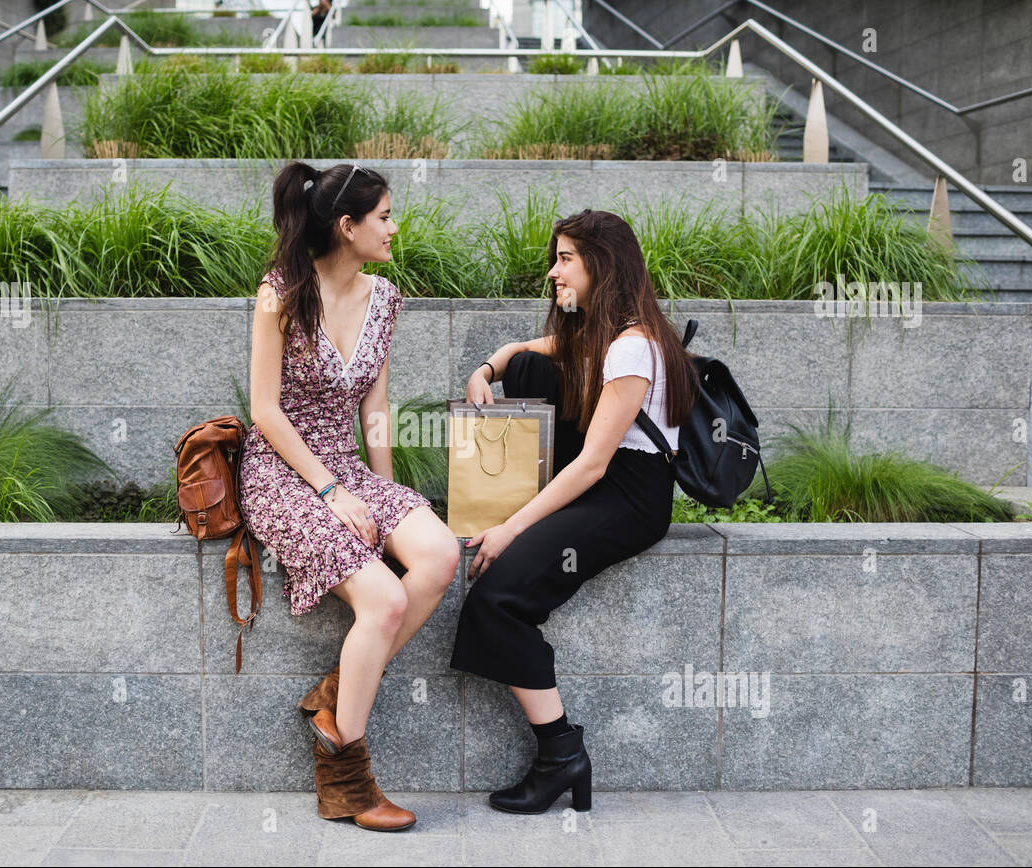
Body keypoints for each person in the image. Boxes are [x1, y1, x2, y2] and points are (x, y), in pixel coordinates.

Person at [237, 161, 460, 832]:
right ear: (347, 226)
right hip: (284, 470)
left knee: (440, 553)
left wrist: (385, 492)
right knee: (386, 598)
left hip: (348, 466)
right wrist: (332, 490)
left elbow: (376, 409)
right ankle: (345, 778)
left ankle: (336, 696)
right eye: (385, 216)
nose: (394, 227)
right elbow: (266, 412)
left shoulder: (385, 298)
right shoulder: (280, 292)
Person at [449, 209, 696, 814]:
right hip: (610, 483)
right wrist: (492, 363)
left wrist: (509, 529)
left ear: (600, 265)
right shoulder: (613, 332)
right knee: (533, 365)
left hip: (629, 497)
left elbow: (590, 465)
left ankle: (562, 754)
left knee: (498, 598)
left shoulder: (634, 348)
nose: (554, 271)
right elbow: (540, 347)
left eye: (565, 259)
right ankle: (562, 756)